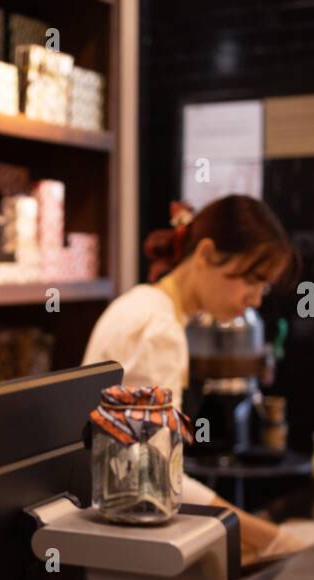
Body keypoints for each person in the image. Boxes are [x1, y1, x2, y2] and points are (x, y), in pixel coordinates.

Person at [84, 195, 303, 559]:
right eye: (251, 279)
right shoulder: (160, 331)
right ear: (205, 254)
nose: (255, 299)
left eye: (263, 287)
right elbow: (154, 483)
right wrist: (273, 540)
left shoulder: (140, 302)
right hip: (119, 542)